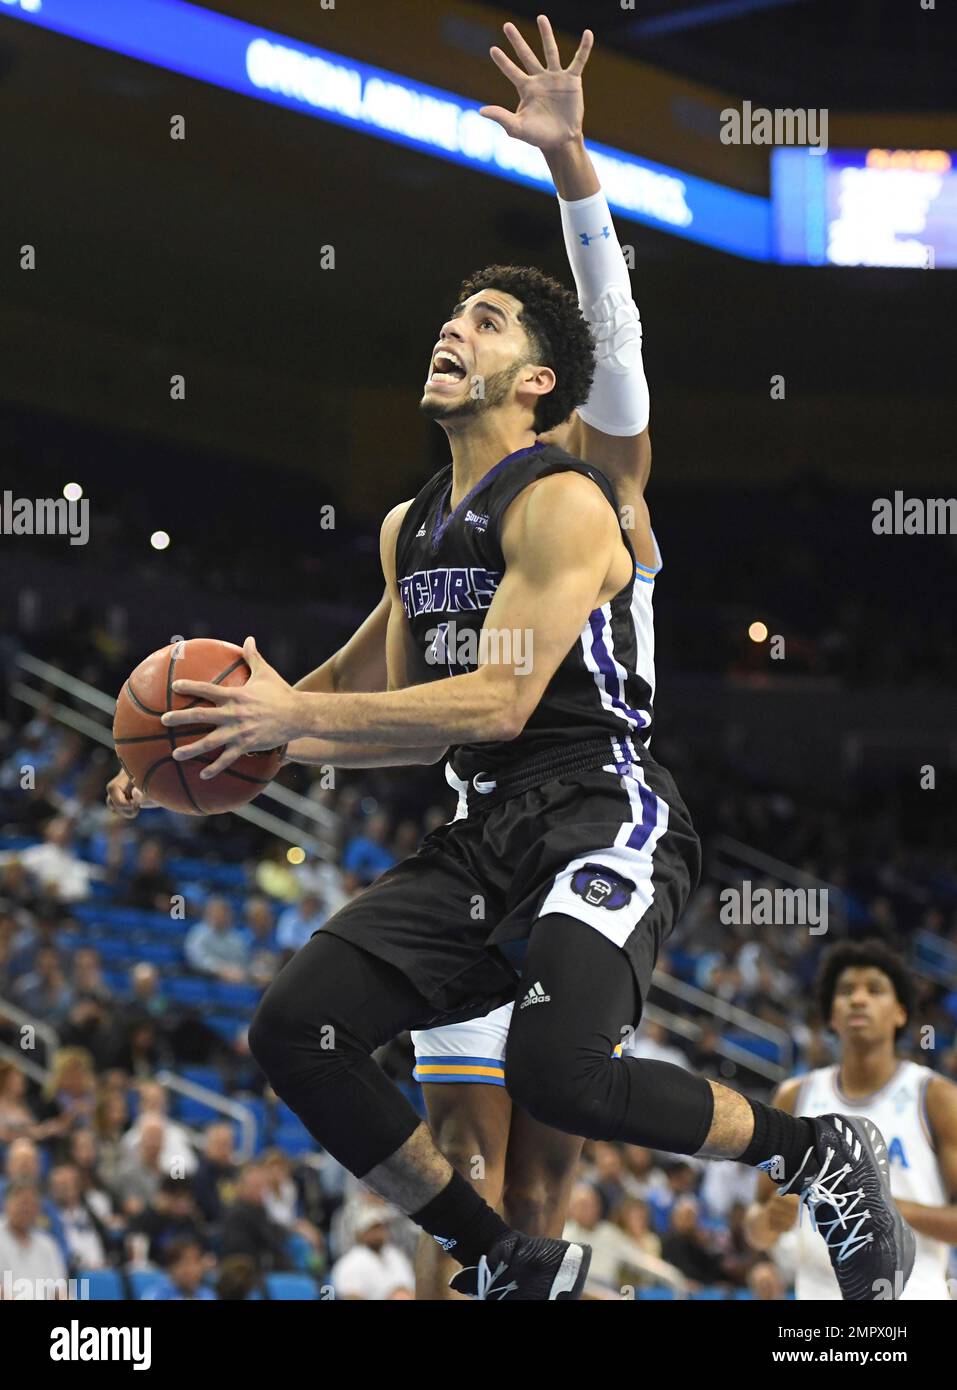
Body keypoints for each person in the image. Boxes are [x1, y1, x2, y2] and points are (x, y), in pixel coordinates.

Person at [108, 16, 913, 1302]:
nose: (451, 329)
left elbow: (488, 696)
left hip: (602, 810)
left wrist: (574, 167)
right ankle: (506, 1266)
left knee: (560, 1089)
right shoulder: (409, 523)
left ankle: (816, 1151)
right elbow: (364, 688)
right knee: (295, 1030)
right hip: (482, 837)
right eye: (449, 315)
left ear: (540, 381)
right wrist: (203, 735)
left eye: (483, 321)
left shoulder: (583, 490)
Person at [745, 940, 957, 1300]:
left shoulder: (934, 1096)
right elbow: (756, 1220)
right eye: (846, 991)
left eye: (874, 990)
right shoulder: (796, 1096)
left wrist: (882, 1206)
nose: (858, 999)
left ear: (901, 1013)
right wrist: (767, 1223)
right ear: (831, 1015)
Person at [0, 1178, 68, 1298]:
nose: (26, 1209)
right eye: (22, 1203)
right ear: (6, 1204)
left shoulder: (47, 1244)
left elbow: (60, 1291)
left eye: (32, 1204)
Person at [330, 1205, 414, 1301]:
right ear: (361, 1233)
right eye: (373, 1229)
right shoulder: (350, 1263)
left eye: (382, 1228)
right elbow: (351, 1296)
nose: (379, 1233)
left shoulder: (396, 1255)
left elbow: (410, 1289)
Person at [143, 1237, 216, 1301]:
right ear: (171, 1267)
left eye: (196, 1262)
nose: (192, 1270)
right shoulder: (157, 1295)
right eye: (186, 1263)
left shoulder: (208, 1295)